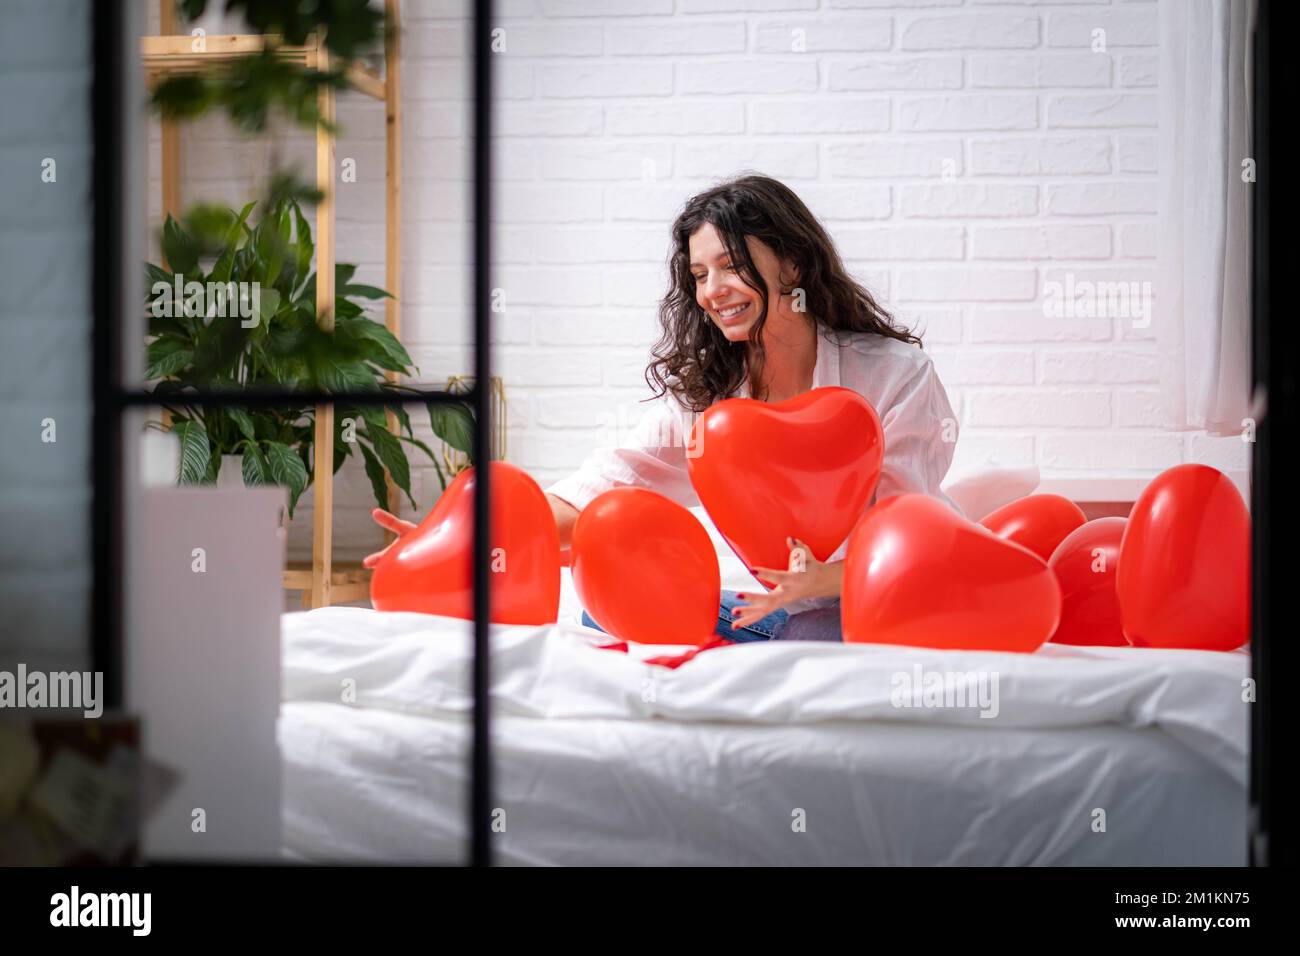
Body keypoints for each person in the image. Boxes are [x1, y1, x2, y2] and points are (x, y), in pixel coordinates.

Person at [366, 174, 959, 642]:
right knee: (605, 612)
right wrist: (457, 540)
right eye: (700, 275)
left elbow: (906, 541)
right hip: (770, 606)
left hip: (857, 598)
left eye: (731, 266)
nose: (712, 291)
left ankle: (777, 633)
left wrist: (818, 582)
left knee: (819, 634)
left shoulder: (893, 375)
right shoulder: (708, 395)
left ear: (793, 265)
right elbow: (597, 490)